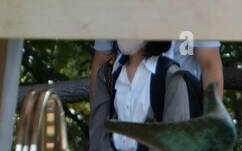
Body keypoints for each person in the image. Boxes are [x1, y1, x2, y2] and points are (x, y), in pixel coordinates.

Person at [90, 37, 223, 105]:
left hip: (181, 113)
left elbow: (210, 67)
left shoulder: (194, 2)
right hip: (124, 109)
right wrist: (98, 129)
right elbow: (100, 68)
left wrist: (210, 127)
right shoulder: (116, 1)